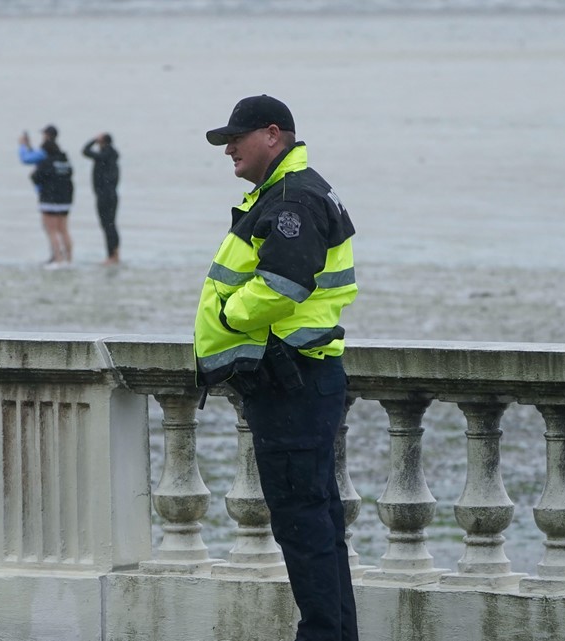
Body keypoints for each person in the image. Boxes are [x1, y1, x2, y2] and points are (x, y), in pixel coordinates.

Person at [193, 95, 359, 641]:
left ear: (273, 134)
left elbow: (285, 284)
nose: (230, 150)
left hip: (293, 383)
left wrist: (227, 313)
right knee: (319, 522)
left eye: (236, 139)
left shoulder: (291, 199)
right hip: (303, 378)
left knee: (302, 524)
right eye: (225, 142)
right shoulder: (293, 191)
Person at [19, 124, 74, 268]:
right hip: (65, 197)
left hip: (49, 198)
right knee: (63, 229)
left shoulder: (44, 154)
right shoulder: (62, 156)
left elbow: (28, 162)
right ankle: (68, 259)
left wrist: (22, 146)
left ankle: (57, 259)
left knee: (51, 230)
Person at [81, 132, 121, 265]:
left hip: (104, 194)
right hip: (112, 194)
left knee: (107, 225)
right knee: (111, 225)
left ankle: (111, 256)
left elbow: (85, 151)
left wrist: (93, 139)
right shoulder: (112, 155)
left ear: (102, 141)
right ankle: (115, 254)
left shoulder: (104, 155)